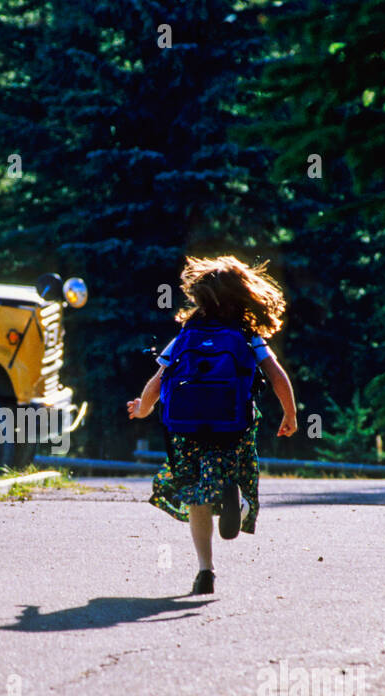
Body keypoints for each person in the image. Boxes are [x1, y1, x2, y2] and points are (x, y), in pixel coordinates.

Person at [127, 254, 298, 595]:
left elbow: (158, 381)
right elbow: (276, 375)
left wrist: (143, 409)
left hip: (187, 429)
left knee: (195, 497)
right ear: (242, 295)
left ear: (200, 297)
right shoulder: (247, 336)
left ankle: (206, 569)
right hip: (232, 427)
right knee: (237, 472)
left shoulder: (187, 335)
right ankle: (237, 497)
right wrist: (290, 414)